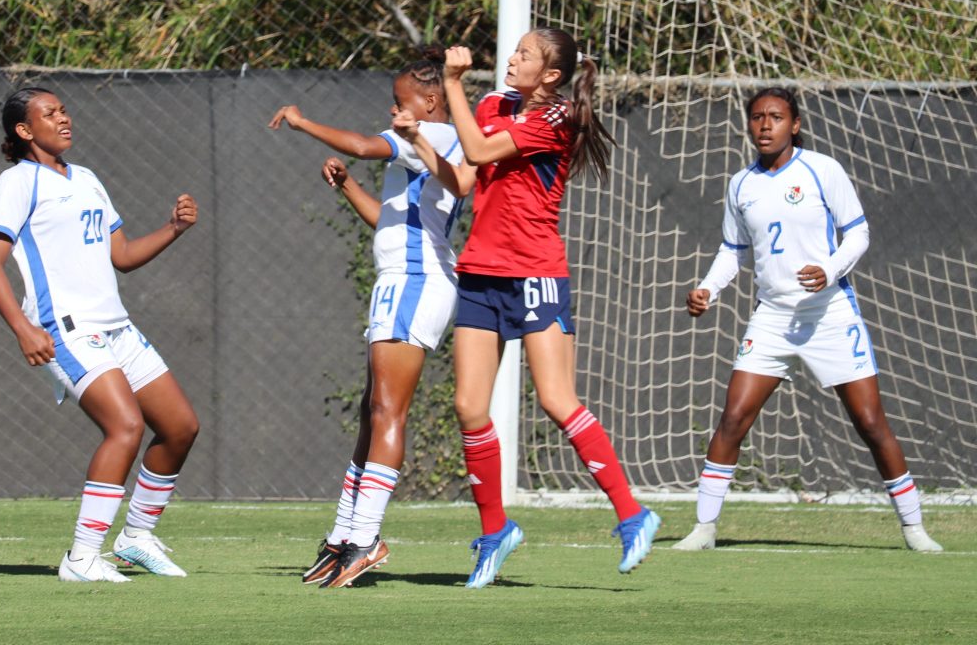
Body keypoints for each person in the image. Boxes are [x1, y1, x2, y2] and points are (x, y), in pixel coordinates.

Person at [396, 30, 659, 587]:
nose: (511, 60)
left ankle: (633, 514)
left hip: (535, 272)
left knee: (557, 399)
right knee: (469, 407)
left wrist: (450, 83)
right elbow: (465, 178)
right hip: (481, 273)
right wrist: (421, 141)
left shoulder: (556, 118)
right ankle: (496, 532)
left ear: (550, 76)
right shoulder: (492, 105)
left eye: (524, 55)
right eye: (513, 51)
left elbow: (481, 149)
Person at [674, 87, 941, 553]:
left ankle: (914, 528)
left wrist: (830, 270)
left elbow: (858, 233)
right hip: (773, 318)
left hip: (829, 314)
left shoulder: (823, 170)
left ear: (794, 124)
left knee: (871, 422)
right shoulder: (741, 184)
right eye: (757, 117)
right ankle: (703, 529)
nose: (764, 125)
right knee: (734, 417)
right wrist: (708, 289)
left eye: (775, 116)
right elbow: (733, 251)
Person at [267, 50, 473, 588]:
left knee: (388, 410)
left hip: (417, 282)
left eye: (401, 101)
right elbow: (392, 219)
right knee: (372, 409)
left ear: (431, 102)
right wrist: (349, 187)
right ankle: (344, 535)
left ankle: (366, 537)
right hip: (398, 280)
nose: (392, 109)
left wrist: (301, 120)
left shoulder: (439, 137)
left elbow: (361, 144)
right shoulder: (419, 148)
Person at [0, 87, 200, 583]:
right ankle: (81, 557)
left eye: (63, 110)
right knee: (124, 427)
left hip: (117, 326)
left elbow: (120, 256)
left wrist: (172, 229)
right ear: (23, 130)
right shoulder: (18, 181)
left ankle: (136, 538)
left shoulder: (87, 179)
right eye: (49, 113)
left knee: (181, 426)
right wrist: (22, 327)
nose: (64, 118)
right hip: (67, 328)